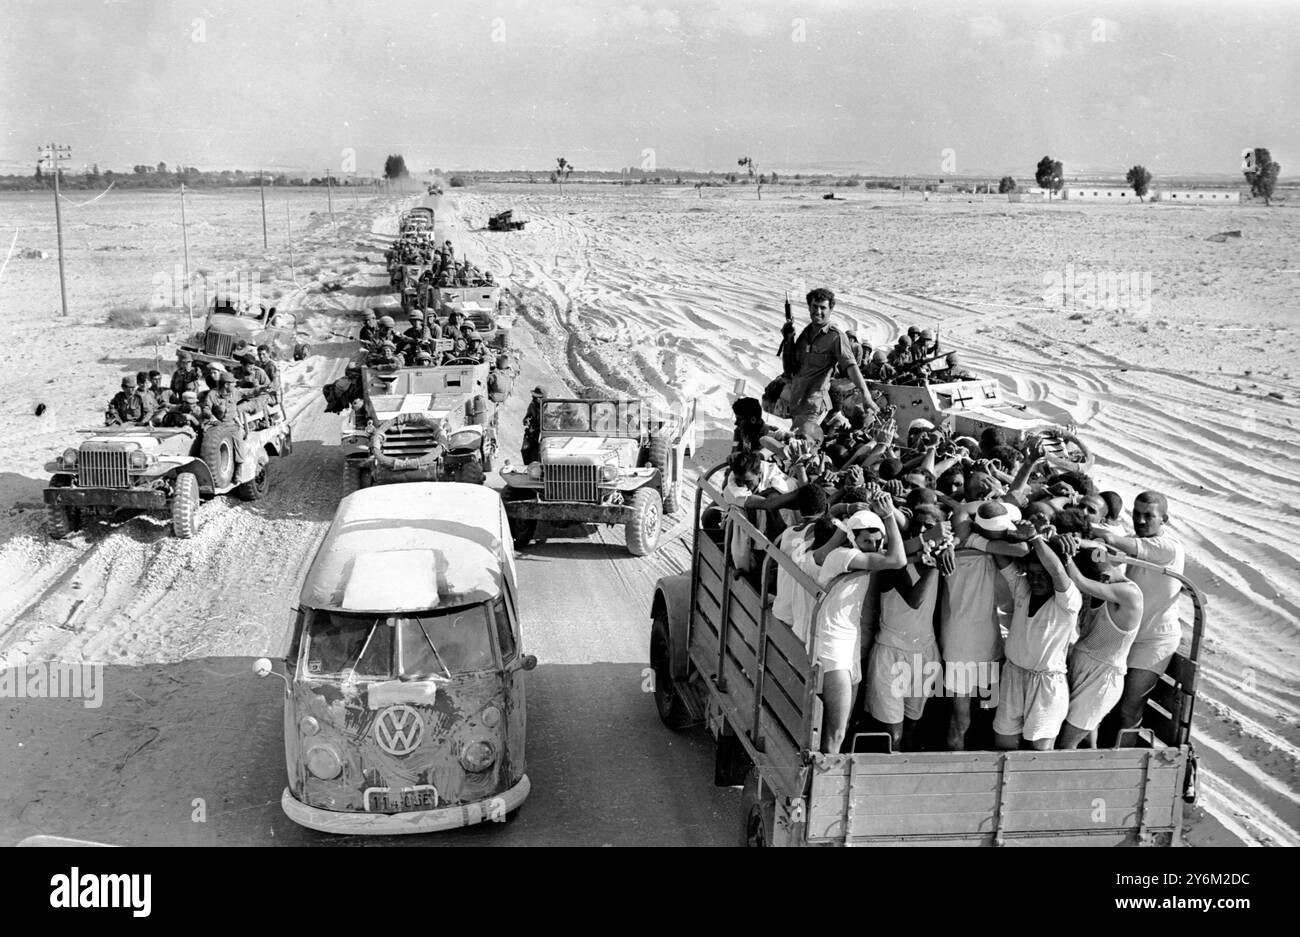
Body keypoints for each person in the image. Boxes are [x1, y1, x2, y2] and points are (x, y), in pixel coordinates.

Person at [1091, 491, 1185, 746]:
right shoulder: (1136, 540)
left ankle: (1123, 767)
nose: (1141, 521)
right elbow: (1110, 550)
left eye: (1148, 516)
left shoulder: (1168, 548)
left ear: (1164, 519)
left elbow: (1111, 539)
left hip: (1154, 640)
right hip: (1128, 634)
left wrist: (1086, 528)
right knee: (1105, 702)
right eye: (1136, 514)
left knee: (1129, 709)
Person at [864, 503, 946, 752]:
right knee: (893, 732)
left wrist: (944, 550)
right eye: (917, 525)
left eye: (929, 527)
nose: (922, 530)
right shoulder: (894, 563)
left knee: (912, 724)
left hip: (925, 653)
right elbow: (914, 599)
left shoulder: (942, 557)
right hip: (890, 654)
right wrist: (935, 563)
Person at [993, 524, 1082, 751]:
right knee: (1004, 745)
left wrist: (1035, 537)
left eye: (1042, 575)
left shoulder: (1068, 602)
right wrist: (1012, 531)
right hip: (1013, 676)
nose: (1035, 580)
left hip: (1046, 686)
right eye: (1031, 574)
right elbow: (999, 555)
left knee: (1039, 753)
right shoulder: (1023, 589)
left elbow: (1058, 572)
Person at [1056, 536, 1144, 749]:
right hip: (1085, 671)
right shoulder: (1105, 576)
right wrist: (1073, 540)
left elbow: (1080, 582)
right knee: (1086, 738)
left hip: (1101, 680)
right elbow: (1098, 548)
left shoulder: (1129, 594)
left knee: (1066, 743)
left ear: (1102, 578)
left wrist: (1065, 557)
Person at [779, 288, 878, 429]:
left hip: (815, 404)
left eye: (823, 308)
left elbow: (851, 366)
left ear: (831, 309)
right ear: (809, 308)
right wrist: (788, 340)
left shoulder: (835, 336)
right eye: (814, 307)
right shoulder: (805, 334)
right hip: (798, 402)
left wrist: (866, 396)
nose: (818, 311)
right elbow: (790, 368)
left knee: (799, 445)